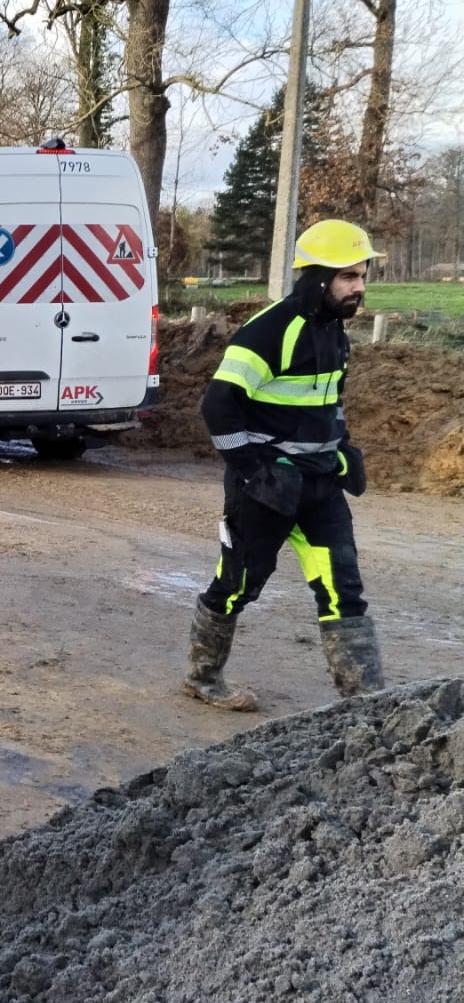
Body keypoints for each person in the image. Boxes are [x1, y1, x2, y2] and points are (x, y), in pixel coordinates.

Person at [185, 218, 384, 711]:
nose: (359, 287)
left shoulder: (336, 332)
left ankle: (366, 700)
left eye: (362, 276)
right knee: (237, 586)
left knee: (344, 588)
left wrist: (343, 448)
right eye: (349, 277)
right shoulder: (271, 330)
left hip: (319, 486)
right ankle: (203, 678)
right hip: (266, 488)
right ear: (318, 278)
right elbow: (218, 404)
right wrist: (252, 472)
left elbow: (328, 402)